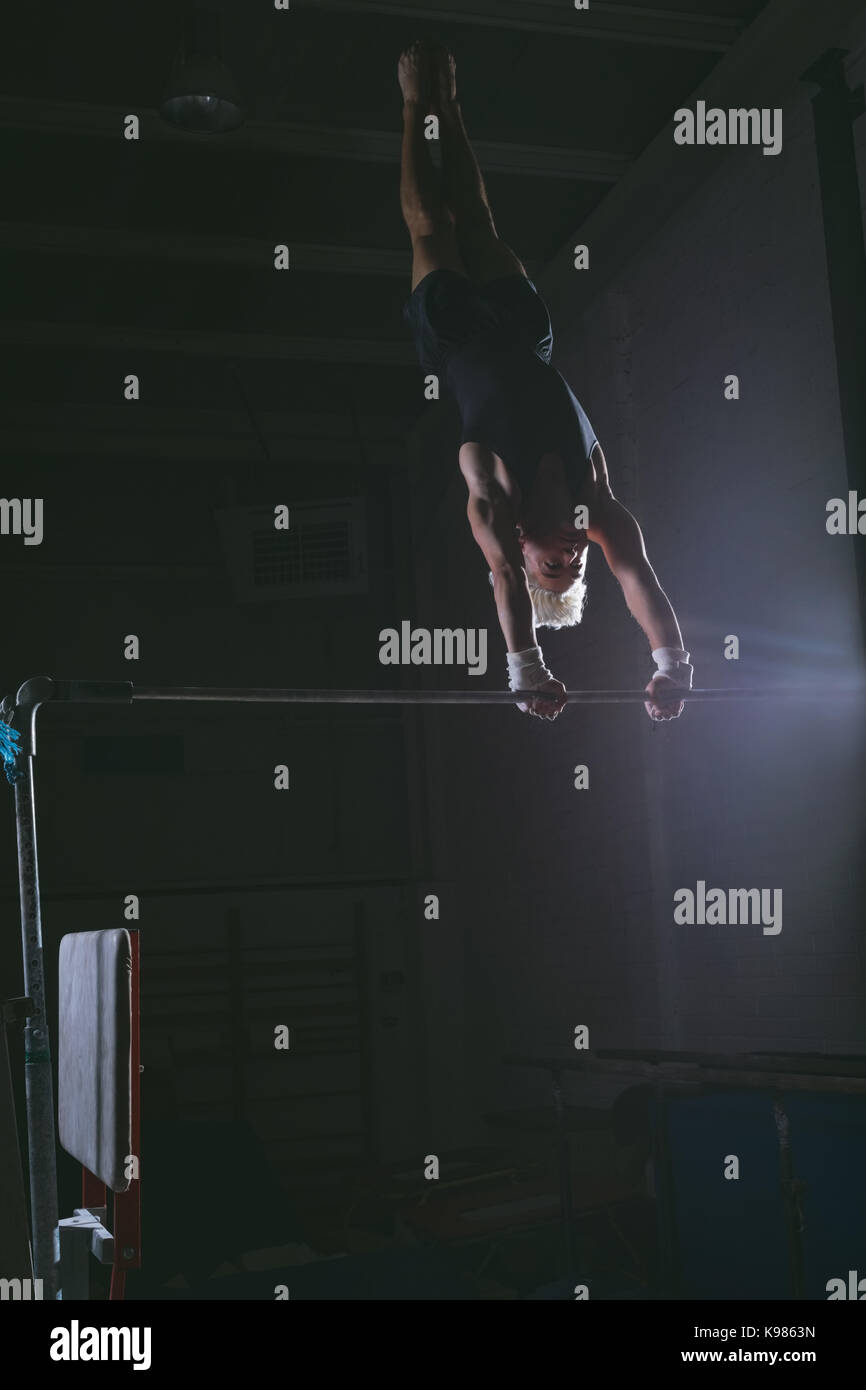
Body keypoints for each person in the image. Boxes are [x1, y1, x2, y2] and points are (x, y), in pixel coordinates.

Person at [399, 40, 692, 722]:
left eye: (551, 569)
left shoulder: (496, 502)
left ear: (526, 552)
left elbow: (500, 578)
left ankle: (415, 105)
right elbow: (636, 576)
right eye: (575, 568)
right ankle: (455, 106)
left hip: (458, 337)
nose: (569, 559)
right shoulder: (599, 501)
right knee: (479, 219)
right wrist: (673, 663)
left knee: (431, 225)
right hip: (521, 332)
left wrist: (524, 669)